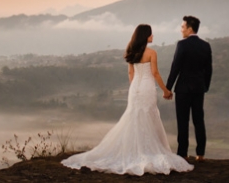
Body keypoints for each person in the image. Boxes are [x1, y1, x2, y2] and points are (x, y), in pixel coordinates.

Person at [61, 24, 193, 175]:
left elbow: (131, 73)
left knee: (134, 116)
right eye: (151, 34)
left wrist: (135, 88)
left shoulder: (131, 52)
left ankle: (134, 149)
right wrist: (166, 90)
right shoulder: (151, 53)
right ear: (145, 36)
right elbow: (155, 73)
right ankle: (145, 150)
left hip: (135, 88)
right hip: (147, 88)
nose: (153, 36)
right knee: (148, 115)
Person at [165, 15, 212, 161]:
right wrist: (205, 86)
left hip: (183, 89)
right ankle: (201, 153)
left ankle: (182, 153)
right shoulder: (206, 45)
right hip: (199, 88)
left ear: (189, 29)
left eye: (182, 27)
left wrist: (168, 88)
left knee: (183, 121)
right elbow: (208, 70)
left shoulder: (182, 44)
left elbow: (175, 68)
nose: (181, 30)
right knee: (199, 120)